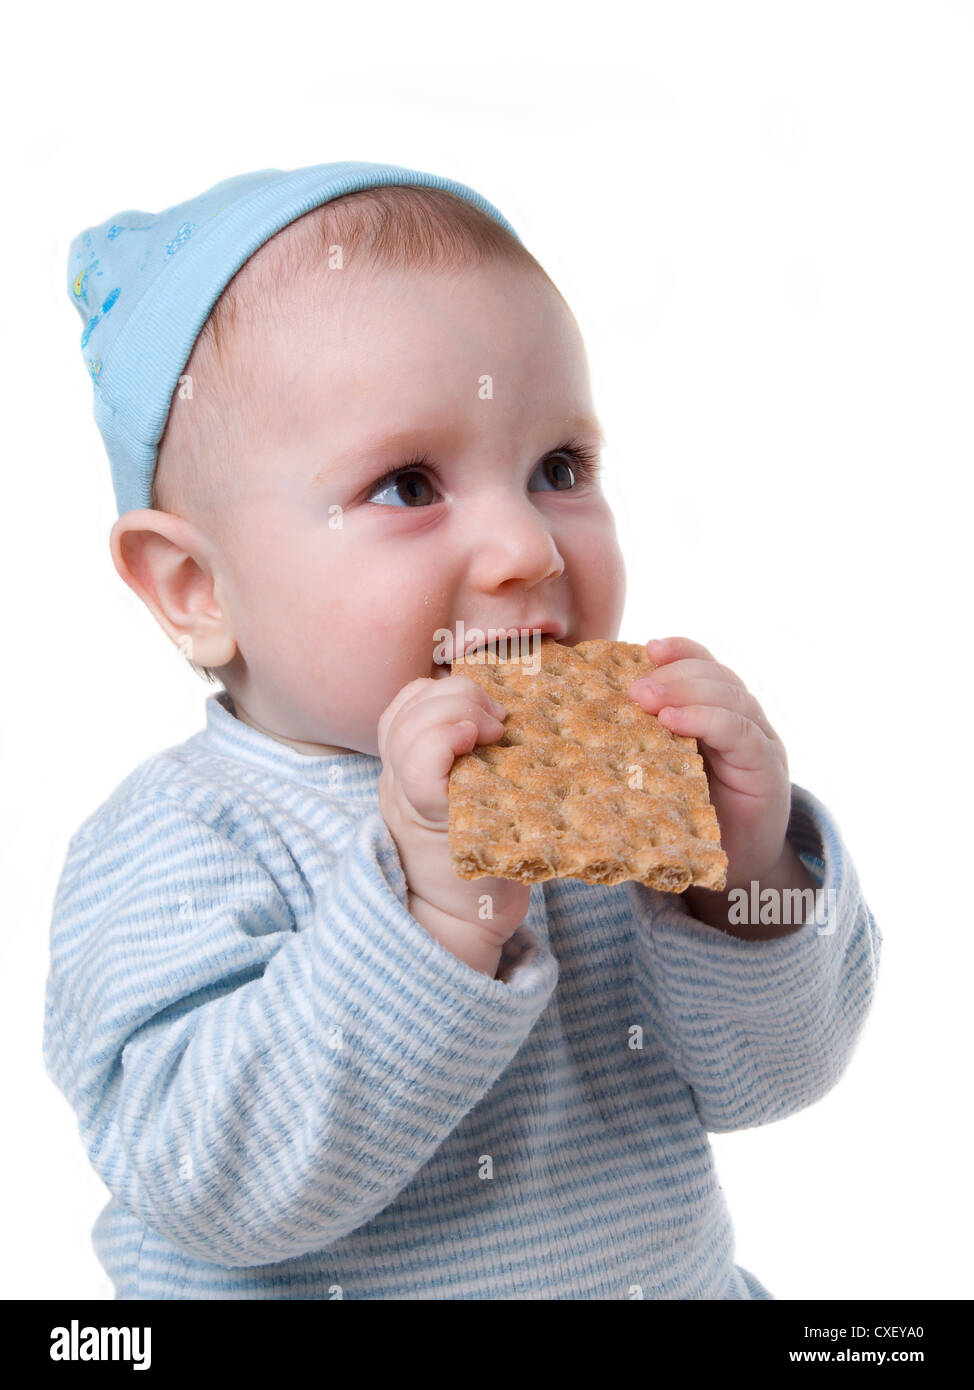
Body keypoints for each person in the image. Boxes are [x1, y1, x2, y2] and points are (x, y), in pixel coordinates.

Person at [44, 160, 881, 1299]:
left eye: (558, 468)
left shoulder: (611, 796)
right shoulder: (178, 840)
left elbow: (772, 1082)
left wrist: (744, 881)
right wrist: (434, 920)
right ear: (195, 586)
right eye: (405, 485)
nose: (526, 550)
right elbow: (206, 1183)